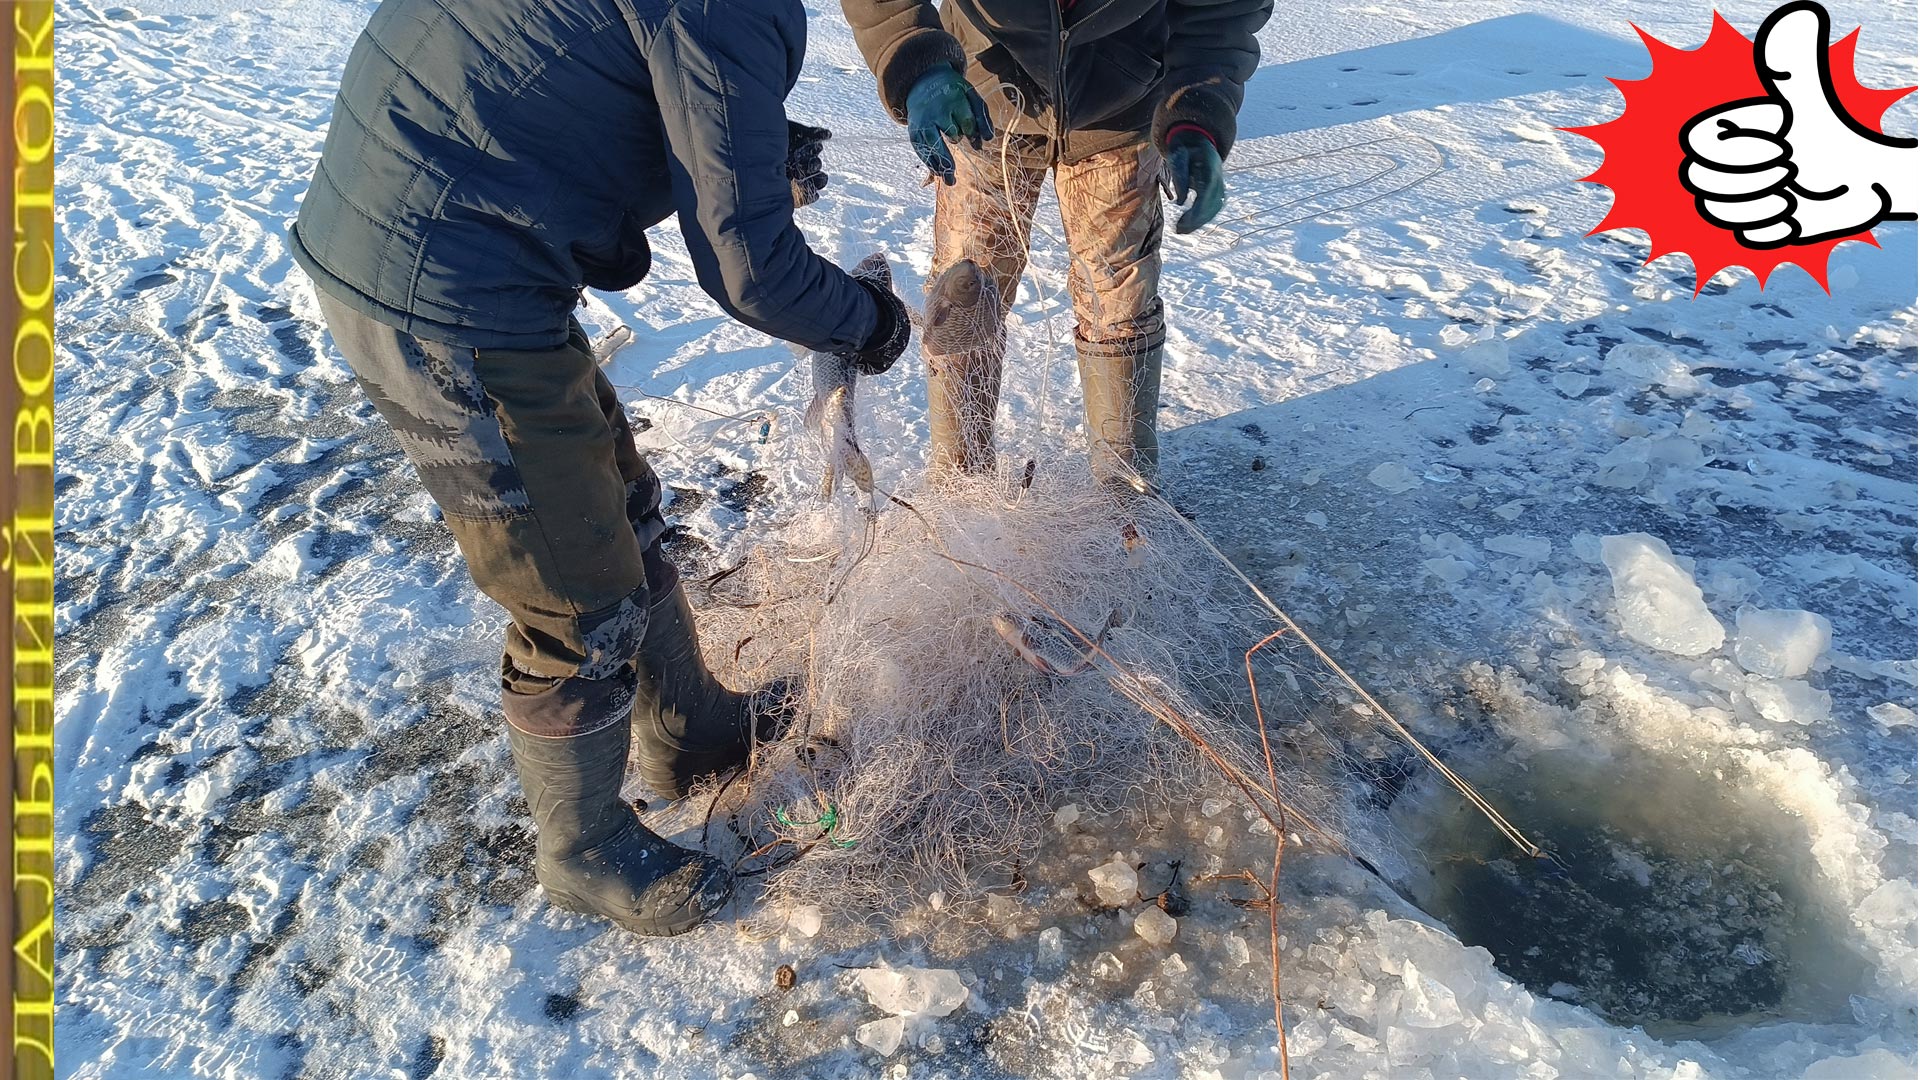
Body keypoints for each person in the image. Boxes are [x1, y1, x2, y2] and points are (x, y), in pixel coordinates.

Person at [290, 0, 911, 937]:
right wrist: (869, 324)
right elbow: (749, 270)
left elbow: (588, 58)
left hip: (460, 223)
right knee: (573, 591)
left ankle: (686, 726)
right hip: (441, 281)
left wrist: (743, 134)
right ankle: (580, 850)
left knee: (617, 510)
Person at [843, 0, 1271, 494]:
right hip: (977, 101)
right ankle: (960, 488)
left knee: (1120, 300)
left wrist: (1197, 110)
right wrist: (916, 59)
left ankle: (1123, 491)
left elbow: (1220, 13)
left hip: (1122, 106)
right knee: (963, 288)